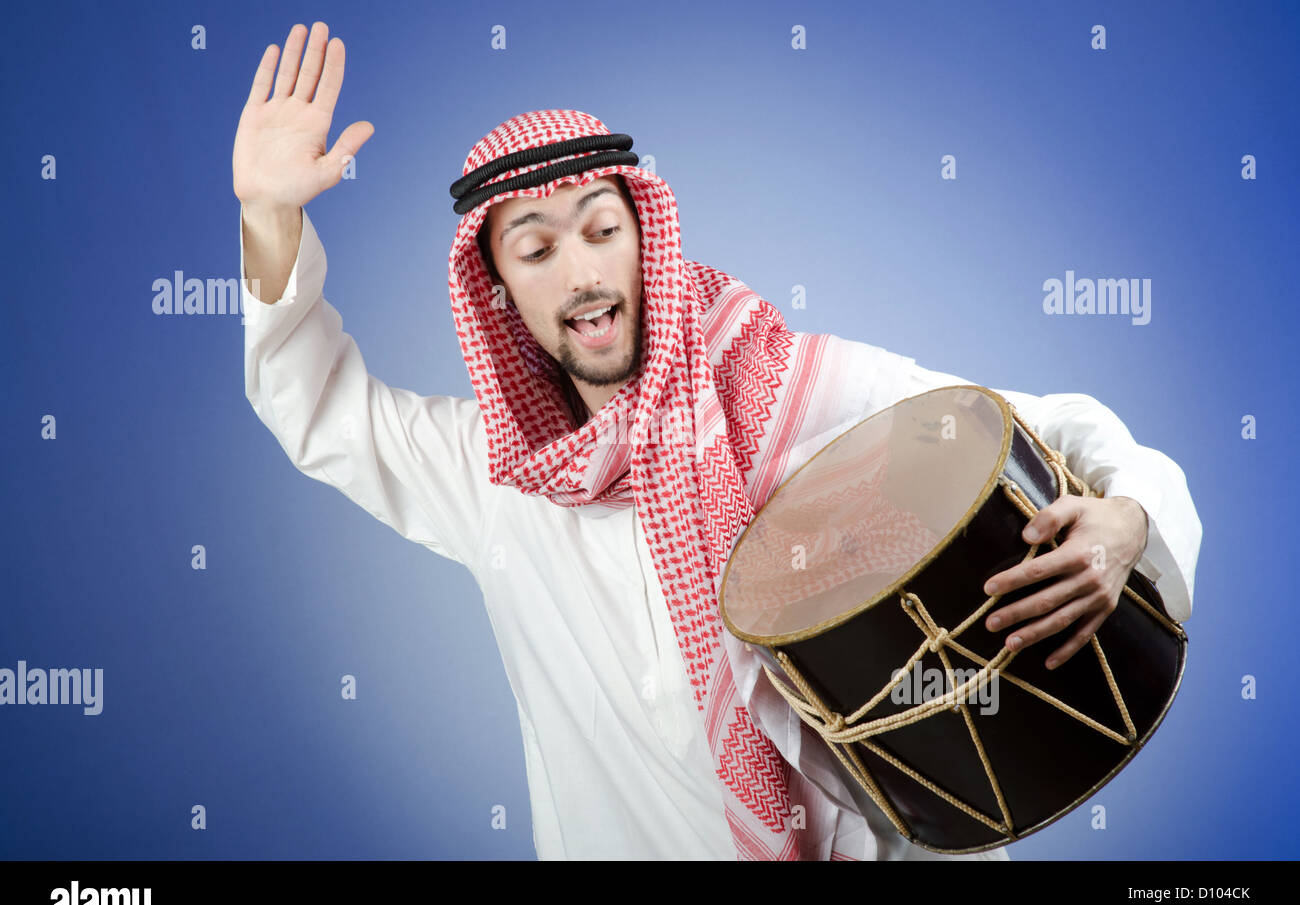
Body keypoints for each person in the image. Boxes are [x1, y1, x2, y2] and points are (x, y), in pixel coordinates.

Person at [233, 23, 1202, 860]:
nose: (578, 273)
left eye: (599, 230)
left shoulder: (795, 395)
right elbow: (316, 405)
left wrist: (1126, 516)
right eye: (535, 249)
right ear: (500, 294)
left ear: (644, 238)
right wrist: (268, 217)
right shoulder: (494, 477)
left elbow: (1044, 425)